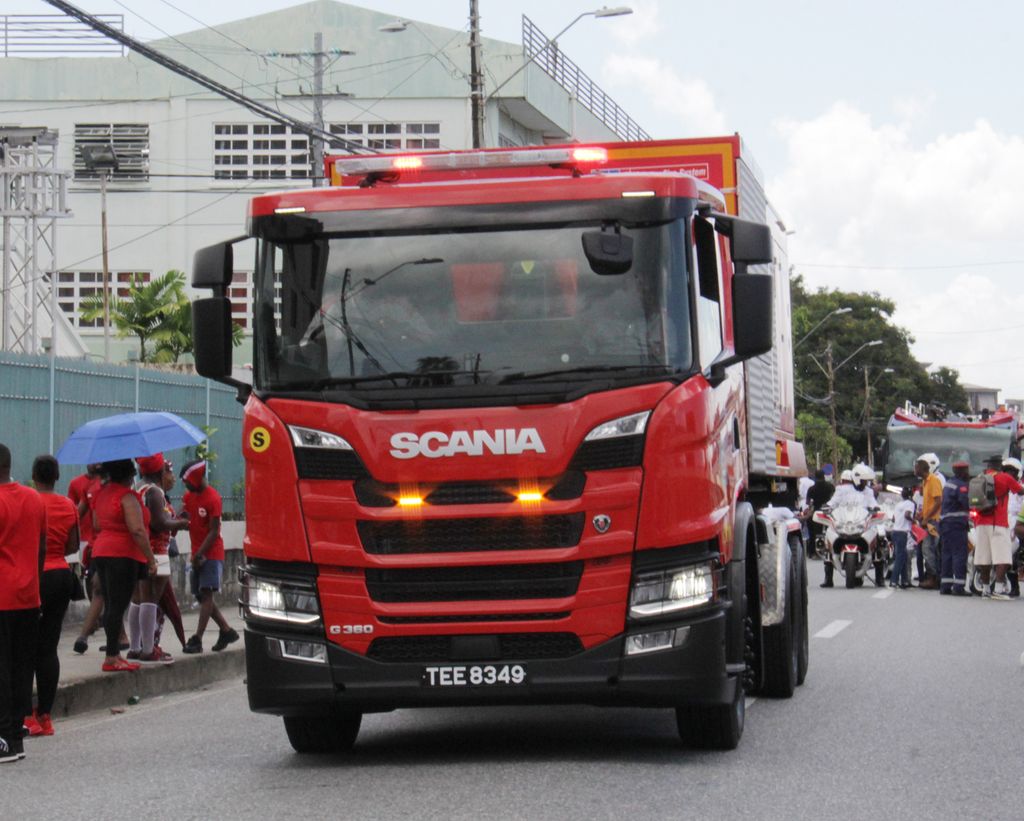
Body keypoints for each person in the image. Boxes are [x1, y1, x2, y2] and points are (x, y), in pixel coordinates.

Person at [23, 456, 79, 738]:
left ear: (34, 475)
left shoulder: (28, 502)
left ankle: (24, 715)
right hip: (60, 576)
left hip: (31, 576)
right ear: (57, 477)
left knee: (23, 648)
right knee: (48, 647)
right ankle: (45, 716)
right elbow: (72, 546)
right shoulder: (68, 505)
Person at [0, 443, 46, 763]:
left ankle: (3, 738)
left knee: (1, 669)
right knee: (21, 668)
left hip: (1, 596)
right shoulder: (33, 498)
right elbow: (41, 546)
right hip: (29, 594)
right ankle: (16, 735)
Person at [90, 459, 157, 672]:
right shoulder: (127, 497)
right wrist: (151, 558)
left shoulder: (101, 494)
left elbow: (97, 524)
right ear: (130, 475)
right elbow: (137, 530)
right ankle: (111, 656)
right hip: (123, 554)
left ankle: (114, 654)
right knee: (117, 607)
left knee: (111, 604)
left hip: (101, 551)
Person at [128, 454, 189, 664]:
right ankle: (147, 648)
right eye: (168, 471)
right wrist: (180, 523)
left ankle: (135, 647)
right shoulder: (154, 492)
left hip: (141, 549)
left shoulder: (139, 488)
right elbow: (160, 523)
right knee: (151, 599)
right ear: (160, 471)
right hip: (157, 549)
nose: (170, 475)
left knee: (137, 598)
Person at [180, 460, 238, 654]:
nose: (185, 485)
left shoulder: (213, 498)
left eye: (187, 481)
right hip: (196, 552)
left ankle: (197, 638)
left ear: (196, 478)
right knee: (199, 594)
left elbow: (213, 531)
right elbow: (184, 515)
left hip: (211, 553)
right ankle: (226, 630)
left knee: (206, 593)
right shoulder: (189, 496)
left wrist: (199, 554)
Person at [973, 454, 1024, 600]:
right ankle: (999, 590)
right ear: (999, 466)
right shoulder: (1005, 478)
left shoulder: (980, 477)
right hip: (999, 523)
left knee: (984, 558)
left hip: (981, 523)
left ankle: (986, 589)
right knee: (1003, 558)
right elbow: (1020, 491)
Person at [69, 464, 106, 655]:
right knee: (98, 590)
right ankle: (91, 632)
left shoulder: (112, 487)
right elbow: (76, 514)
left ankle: (89, 633)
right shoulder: (85, 487)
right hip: (94, 546)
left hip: (104, 546)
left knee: (103, 592)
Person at [821, 464, 877, 588]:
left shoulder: (869, 491)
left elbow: (873, 503)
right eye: (863, 480)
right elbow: (833, 502)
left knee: (879, 537)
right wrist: (827, 507)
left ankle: (880, 575)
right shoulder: (843, 489)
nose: (865, 483)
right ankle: (828, 578)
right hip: (843, 521)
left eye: (866, 481)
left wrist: (876, 508)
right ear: (857, 479)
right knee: (828, 539)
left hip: (861, 522)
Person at [938, 461, 971, 596]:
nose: (968, 473)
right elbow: (966, 502)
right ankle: (959, 587)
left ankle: (945, 586)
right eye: (966, 470)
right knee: (959, 554)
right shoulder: (961, 486)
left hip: (945, 524)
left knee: (947, 555)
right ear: (962, 471)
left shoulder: (948, 483)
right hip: (957, 524)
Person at [915, 455, 943, 589]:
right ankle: (933, 577)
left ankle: (933, 578)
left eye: (916, 467)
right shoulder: (925, 482)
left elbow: (938, 501)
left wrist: (926, 518)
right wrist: (921, 515)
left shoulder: (933, 480)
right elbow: (929, 503)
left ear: (922, 469)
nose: (915, 470)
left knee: (928, 549)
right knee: (929, 550)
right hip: (928, 519)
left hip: (933, 522)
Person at [1001, 457, 1023, 597]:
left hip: (1017, 523)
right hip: (1002, 521)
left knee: (1012, 556)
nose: (1009, 475)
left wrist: (1016, 528)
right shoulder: (1001, 487)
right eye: (1007, 471)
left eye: (1012, 472)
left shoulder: (1021, 490)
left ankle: (1014, 586)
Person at [804, 469, 834, 558]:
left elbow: (808, 503)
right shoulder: (830, 486)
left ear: (815, 477)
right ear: (824, 476)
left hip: (816, 513)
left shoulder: (811, 489)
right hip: (828, 512)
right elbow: (834, 499)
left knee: (812, 532)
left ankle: (812, 552)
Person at [890, 486, 915, 589]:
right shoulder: (910, 504)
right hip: (902, 533)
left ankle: (904, 581)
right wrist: (914, 521)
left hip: (895, 531)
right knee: (900, 558)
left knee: (903, 556)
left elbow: (893, 518)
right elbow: (907, 515)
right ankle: (894, 581)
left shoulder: (898, 504)